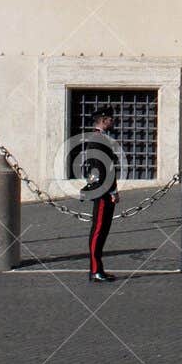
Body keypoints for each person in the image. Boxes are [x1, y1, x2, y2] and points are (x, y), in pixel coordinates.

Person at [81, 107, 122, 284]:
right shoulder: (98, 139)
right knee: (98, 231)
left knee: (102, 230)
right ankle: (95, 271)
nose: (113, 121)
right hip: (103, 192)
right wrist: (110, 190)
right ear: (104, 120)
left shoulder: (100, 138)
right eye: (111, 119)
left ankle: (98, 269)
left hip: (105, 190)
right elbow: (100, 167)